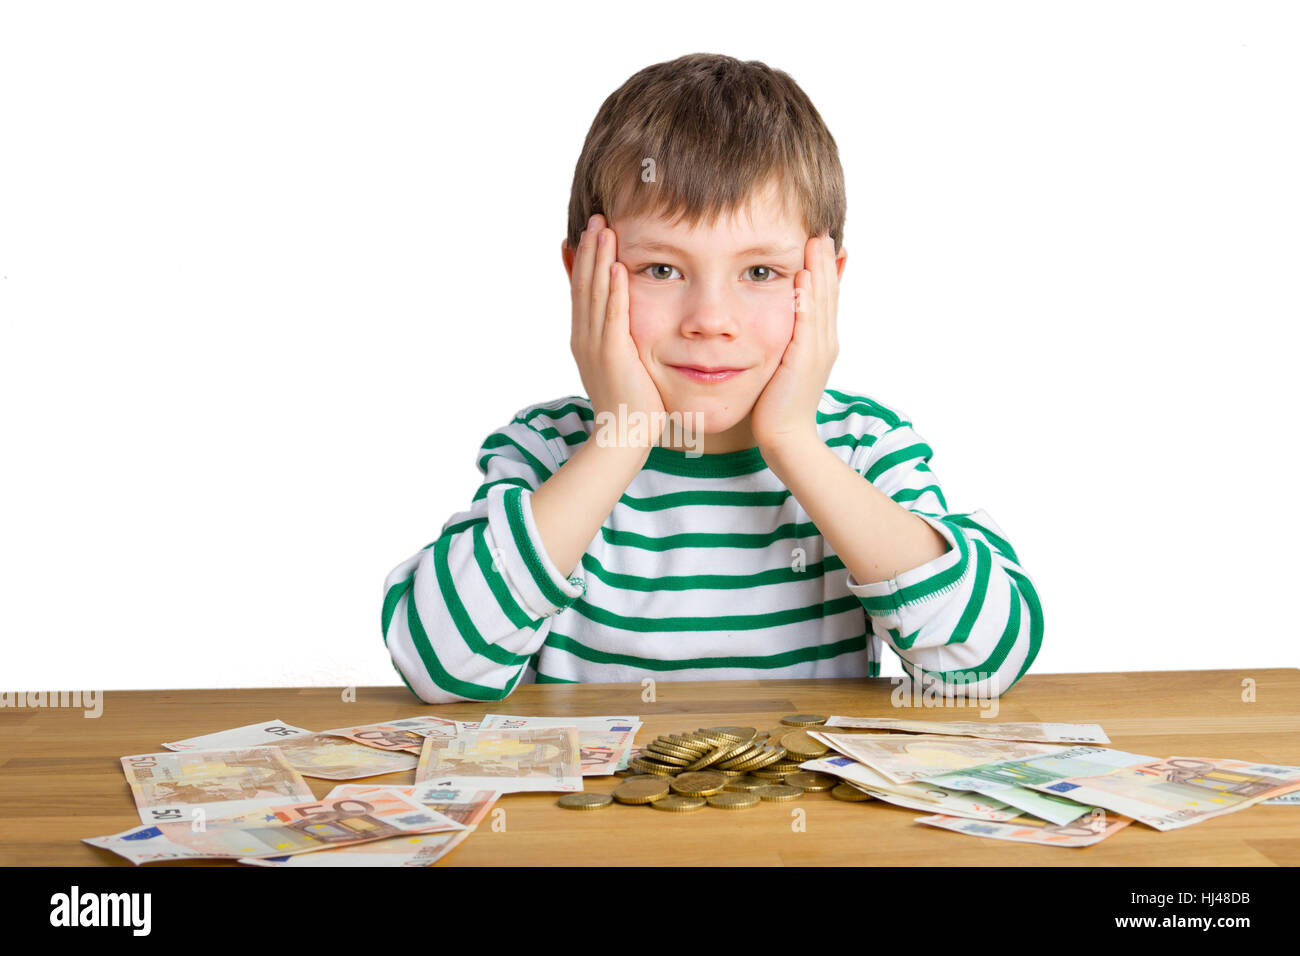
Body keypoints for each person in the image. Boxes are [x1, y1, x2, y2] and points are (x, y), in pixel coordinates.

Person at [381, 53, 1042, 704]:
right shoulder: (548, 451)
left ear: (828, 284)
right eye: (661, 270)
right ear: (581, 273)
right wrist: (620, 439)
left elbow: (982, 666)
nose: (711, 320)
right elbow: (440, 664)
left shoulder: (861, 449)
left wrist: (793, 442)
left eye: (760, 273)